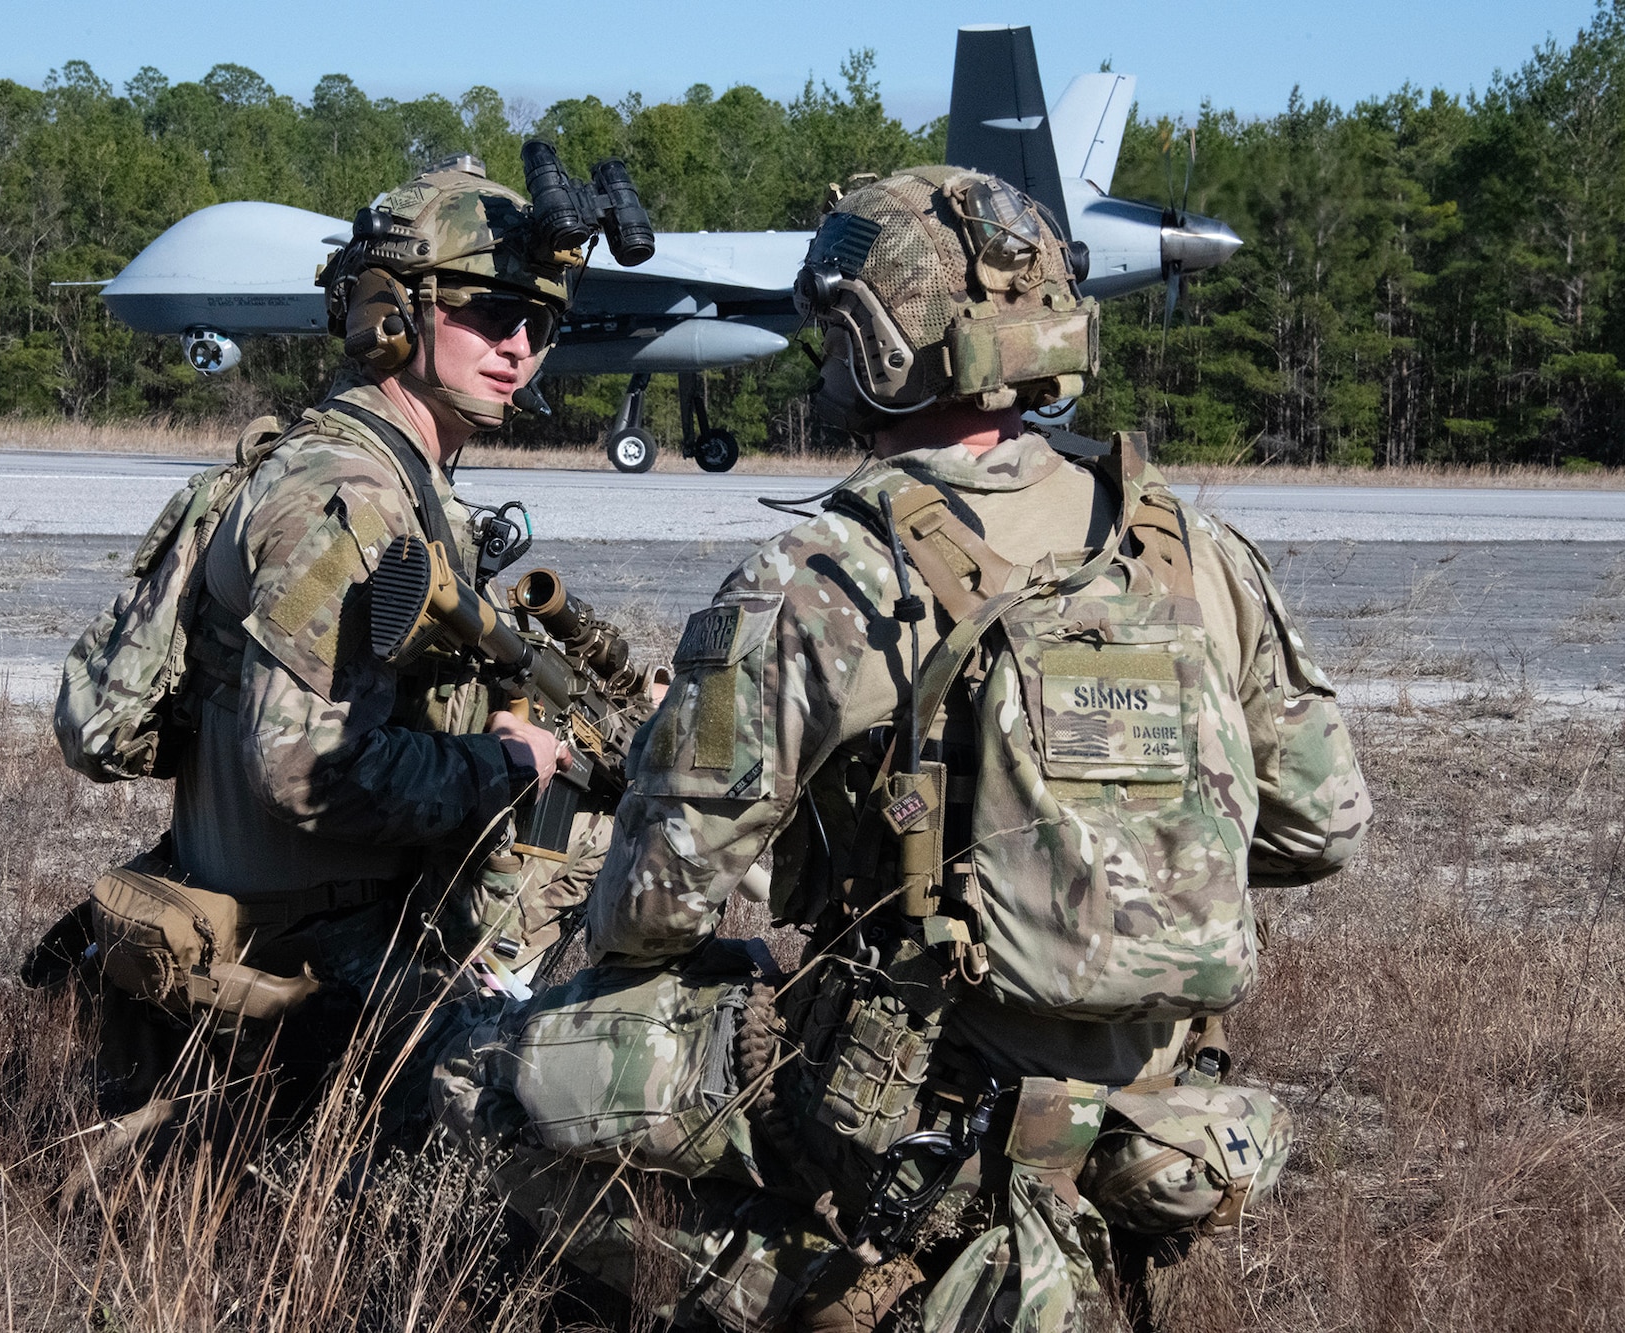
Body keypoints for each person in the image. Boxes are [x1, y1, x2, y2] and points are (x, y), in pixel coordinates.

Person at [447, 167, 1371, 1331]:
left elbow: (656, 903)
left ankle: (804, 1294)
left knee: (483, 1070)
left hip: (908, 1113)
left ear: (886, 346)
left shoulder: (831, 570)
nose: (823, 355)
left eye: (837, 328)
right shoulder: (1191, 547)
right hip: (1152, 1112)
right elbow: (1319, 824)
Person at [68, 158, 610, 1163]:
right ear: (387, 315)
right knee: (575, 1105)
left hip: (302, 901)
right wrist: (507, 765)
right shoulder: (348, 498)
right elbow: (305, 771)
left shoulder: (384, 467)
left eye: (541, 324)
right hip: (309, 939)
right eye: (490, 313)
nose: (520, 347)